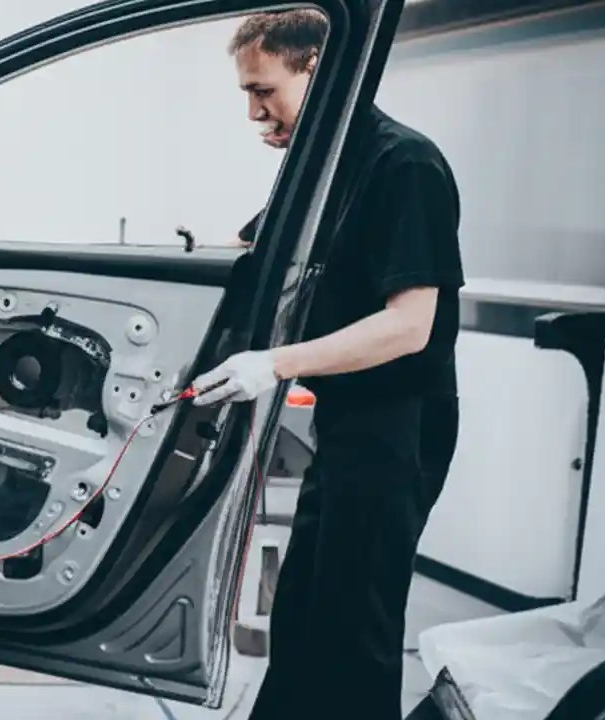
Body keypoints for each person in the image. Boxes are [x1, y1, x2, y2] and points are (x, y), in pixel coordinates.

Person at [190, 10, 465, 719]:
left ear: (317, 68)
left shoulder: (404, 165)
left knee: (355, 631)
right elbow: (250, 257)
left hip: (396, 424)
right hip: (346, 420)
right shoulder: (317, 171)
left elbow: (409, 327)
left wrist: (275, 363)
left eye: (264, 90)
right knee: (305, 618)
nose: (254, 112)